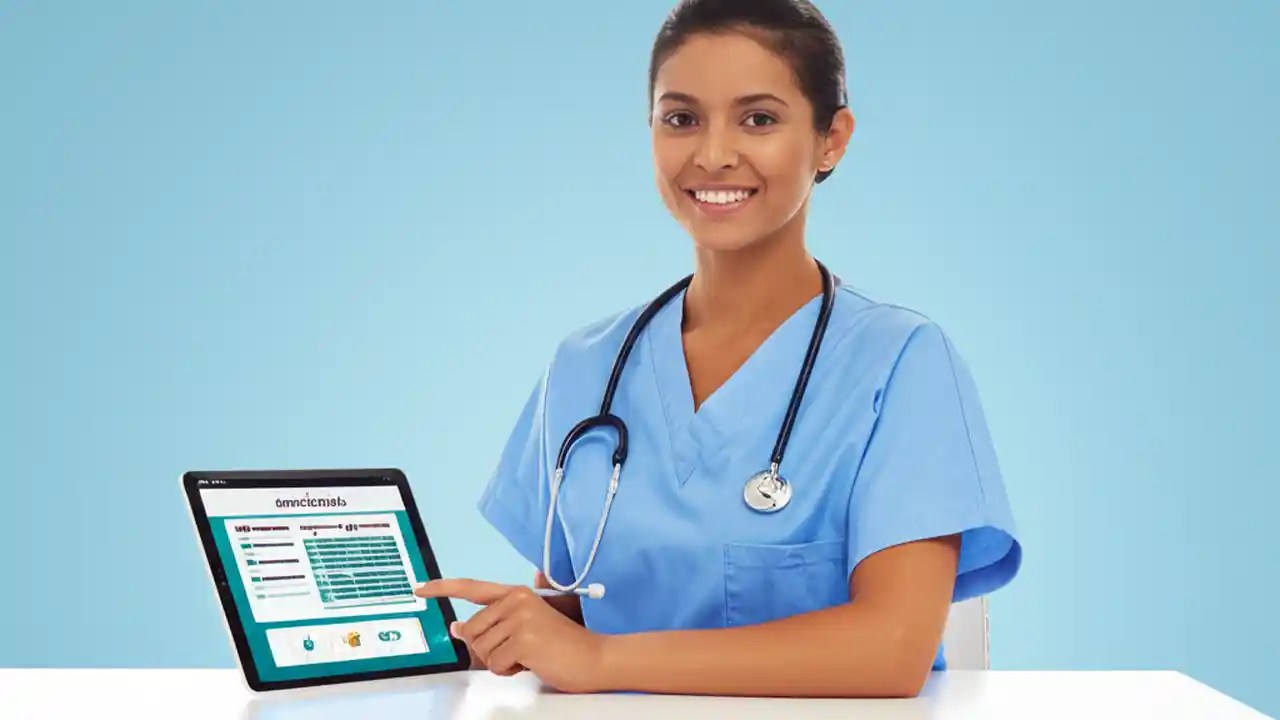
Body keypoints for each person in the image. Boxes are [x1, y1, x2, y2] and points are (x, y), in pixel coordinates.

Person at [415, 0, 1021, 697]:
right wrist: (519, 631)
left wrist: (602, 661)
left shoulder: (902, 362)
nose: (712, 154)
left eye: (758, 118)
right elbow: (587, 605)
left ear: (832, 139)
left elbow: (891, 649)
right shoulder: (585, 368)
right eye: (681, 118)